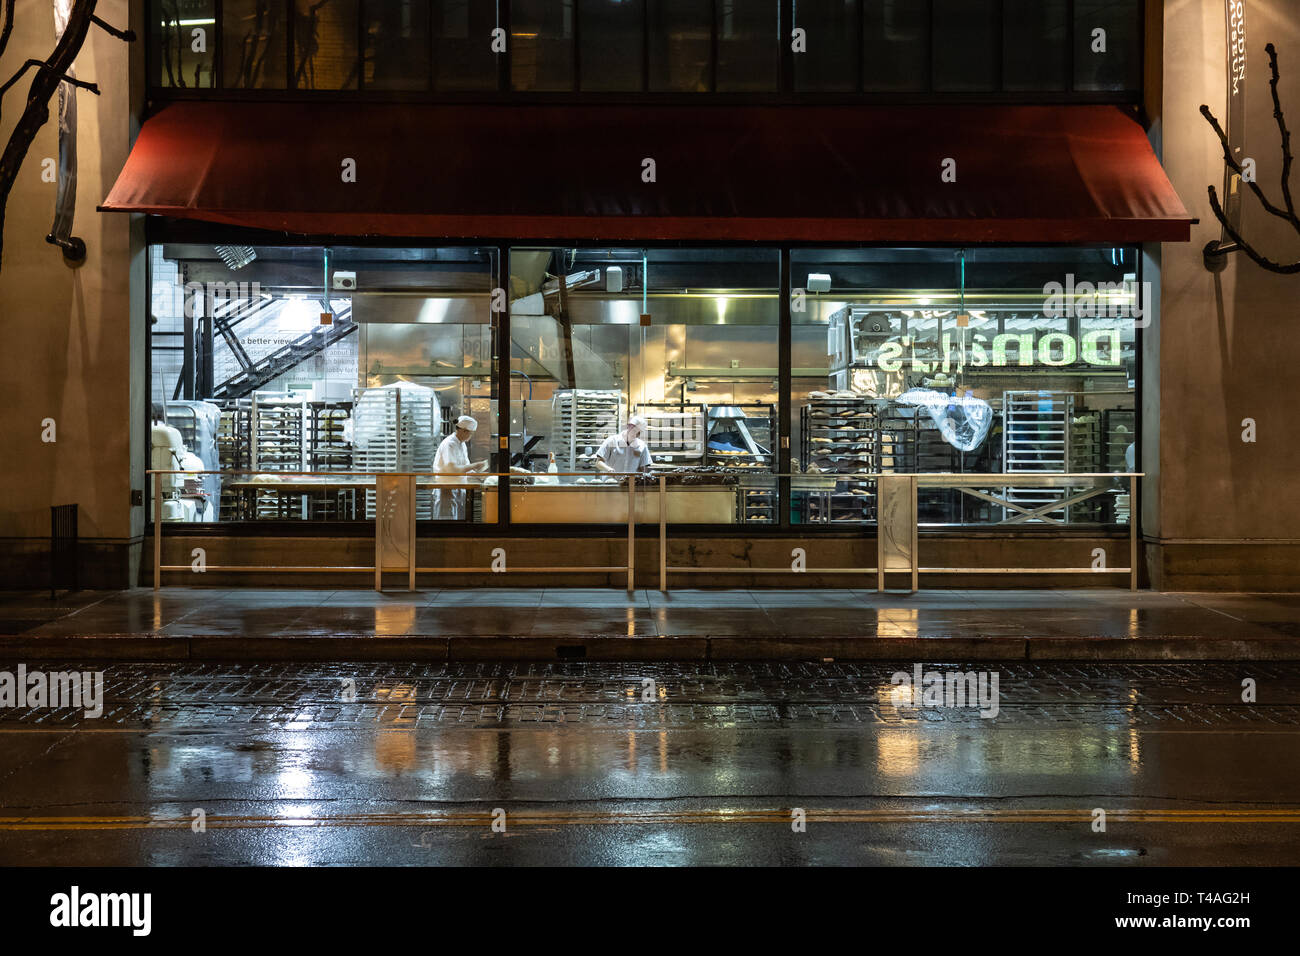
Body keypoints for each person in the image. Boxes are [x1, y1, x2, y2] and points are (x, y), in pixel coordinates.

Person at [434, 415, 488, 519]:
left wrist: (478, 476)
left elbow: (464, 468)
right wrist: (475, 465)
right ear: (463, 431)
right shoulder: (449, 444)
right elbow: (452, 470)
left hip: (458, 488)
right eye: (471, 433)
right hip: (446, 490)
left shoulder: (462, 444)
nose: (471, 436)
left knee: (458, 522)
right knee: (447, 522)